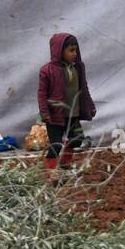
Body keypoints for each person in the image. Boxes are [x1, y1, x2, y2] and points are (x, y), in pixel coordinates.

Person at [37, 32, 95, 169]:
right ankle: (49, 171)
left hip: (73, 115)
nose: (74, 53)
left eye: (76, 50)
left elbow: (84, 88)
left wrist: (90, 105)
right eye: (71, 50)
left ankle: (64, 162)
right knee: (56, 145)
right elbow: (41, 94)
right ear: (59, 51)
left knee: (77, 139)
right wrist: (44, 112)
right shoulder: (47, 71)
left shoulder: (78, 68)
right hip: (55, 117)